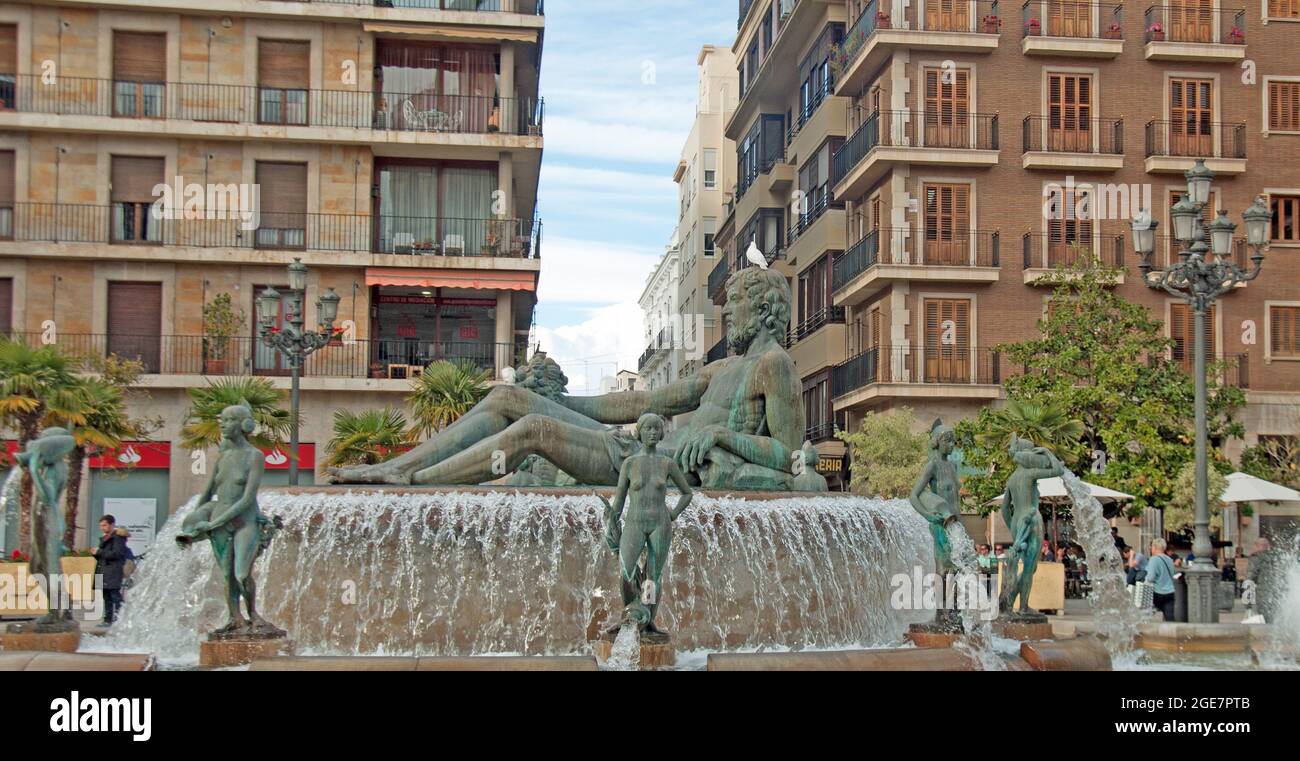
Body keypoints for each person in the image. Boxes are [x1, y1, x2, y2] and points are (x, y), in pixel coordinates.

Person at [329, 267, 822, 492]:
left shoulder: (773, 365)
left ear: (761, 308)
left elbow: (792, 455)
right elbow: (634, 404)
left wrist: (721, 434)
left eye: (733, 304)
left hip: (649, 466)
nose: (726, 313)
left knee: (533, 432)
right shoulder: (720, 369)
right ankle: (402, 467)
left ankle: (411, 481)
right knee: (509, 396)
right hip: (629, 447)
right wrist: (555, 399)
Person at [91, 515, 129, 625]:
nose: (102, 528)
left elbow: (116, 554)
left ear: (112, 525)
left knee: (115, 596)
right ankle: (107, 619)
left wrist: (99, 552)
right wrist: (95, 553)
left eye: (104, 525)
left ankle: (120, 619)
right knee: (106, 596)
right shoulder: (105, 538)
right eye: (101, 526)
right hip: (103, 571)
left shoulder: (118, 538)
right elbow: (103, 555)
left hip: (112, 571)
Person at [1146, 538, 1178, 621]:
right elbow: (1173, 573)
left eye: (1151, 546)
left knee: (1147, 614)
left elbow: (1150, 578)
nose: (1151, 548)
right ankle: (1170, 633)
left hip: (1157, 592)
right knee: (1169, 617)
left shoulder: (1154, 559)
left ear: (1155, 547)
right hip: (1170, 592)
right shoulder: (1170, 559)